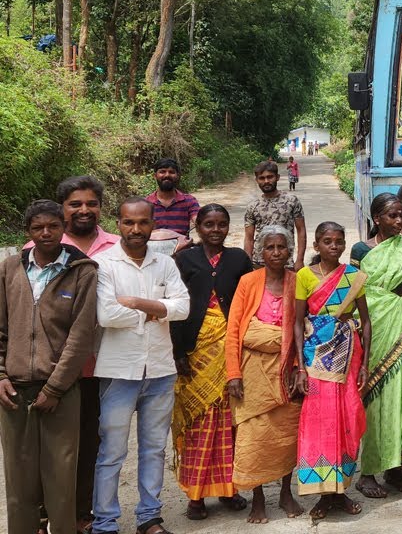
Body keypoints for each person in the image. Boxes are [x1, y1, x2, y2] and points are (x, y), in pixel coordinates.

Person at [92, 197, 190, 534]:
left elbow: (184, 307)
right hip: (119, 371)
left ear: (153, 224)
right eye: (129, 222)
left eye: (143, 223)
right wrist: (157, 310)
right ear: (117, 223)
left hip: (160, 370)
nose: (136, 230)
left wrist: (136, 303)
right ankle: (105, 522)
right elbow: (106, 314)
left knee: (154, 449)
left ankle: (149, 518)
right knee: (112, 452)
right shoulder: (103, 264)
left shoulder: (164, 264)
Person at [0, 200, 98, 534]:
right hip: (13, 391)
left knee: (60, 479)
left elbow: (81, 336)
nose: (46, 233)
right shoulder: (10, 268)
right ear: (27, 232)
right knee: (19, 482)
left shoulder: (83, 270)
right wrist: (1, 375)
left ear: (63, 229)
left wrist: (55, 388)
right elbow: (1, 328)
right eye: (38, 227)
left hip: (61, 391)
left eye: (53, 226)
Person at [30, 175, 118, 528]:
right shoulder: (37, 249)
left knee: (88, 444)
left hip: (100, 364)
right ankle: (42, 513)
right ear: (61, 208)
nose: (84, 210)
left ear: (101, 207)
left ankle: (82, 514)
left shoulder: (118, 246)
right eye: (75, 204)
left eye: (91, 203)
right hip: (48, 367)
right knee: (44, 447)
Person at [172, 205, 254, 520]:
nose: (215, 230)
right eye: (209, 224)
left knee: (229, 423)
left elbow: (250, 301)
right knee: (198, 422)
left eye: (221, 224)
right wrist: (178, 352)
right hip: (195, 350)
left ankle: (228, 489)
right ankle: (196, 496)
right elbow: (176, 307)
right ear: (198, 226)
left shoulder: (239, 259)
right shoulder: (184, 259)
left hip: (232, 349)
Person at [224, 226, 303, 522]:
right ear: (260, 251)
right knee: (253, 435)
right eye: (269, 247)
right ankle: (257, 497)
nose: (276, 253)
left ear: (290, 250)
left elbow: (301, 330)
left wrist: (298, 369)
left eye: (282, 247)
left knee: (286, 434)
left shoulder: (297, 281)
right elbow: (234, 329)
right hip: (252, 368)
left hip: (286, 368)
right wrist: (233, 373)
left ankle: (285, 492)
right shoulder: (248, 281)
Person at [350, 193, 402, 498]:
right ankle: (367, 473)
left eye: (400, 215)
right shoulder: (359, 249)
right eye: (392, 216)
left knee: (400, 396)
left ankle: (394, 468)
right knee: (371, 401)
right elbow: (354, 290)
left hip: (400, 326)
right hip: (371, 327)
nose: (399, 221)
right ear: (376, 218)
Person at [293, 222, 369, 519]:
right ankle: (325, 493)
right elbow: (298, 322)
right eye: (327, 241)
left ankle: (342, 489)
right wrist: (300, 365)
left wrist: (364, 363)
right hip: (315, 358)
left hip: (348, 357)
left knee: (347, 417)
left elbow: (366, 320)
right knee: (319, 422)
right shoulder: (303, 276)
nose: (334, 247)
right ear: (316, 245)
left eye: (339, 241)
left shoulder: (353, 277)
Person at [244, 160, 307, 271]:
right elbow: (249, 238)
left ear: (277, 177)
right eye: (262, 178)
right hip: (259, 264)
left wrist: (300, 259)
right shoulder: (253, 206)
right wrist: (247, 263)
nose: (266, 181)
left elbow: (301, 230)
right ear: (257, 180)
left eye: (270, 177)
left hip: (285, 262)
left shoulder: (291, 201)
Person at [147, 158, 201, 237]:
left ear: (177, 176)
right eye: (162, 172)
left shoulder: (189, 201)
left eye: (171, 172)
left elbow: (200, 222)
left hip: (182, 247)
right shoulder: (146, 203)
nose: (167, 175)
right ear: (155, 176)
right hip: (154, 247)